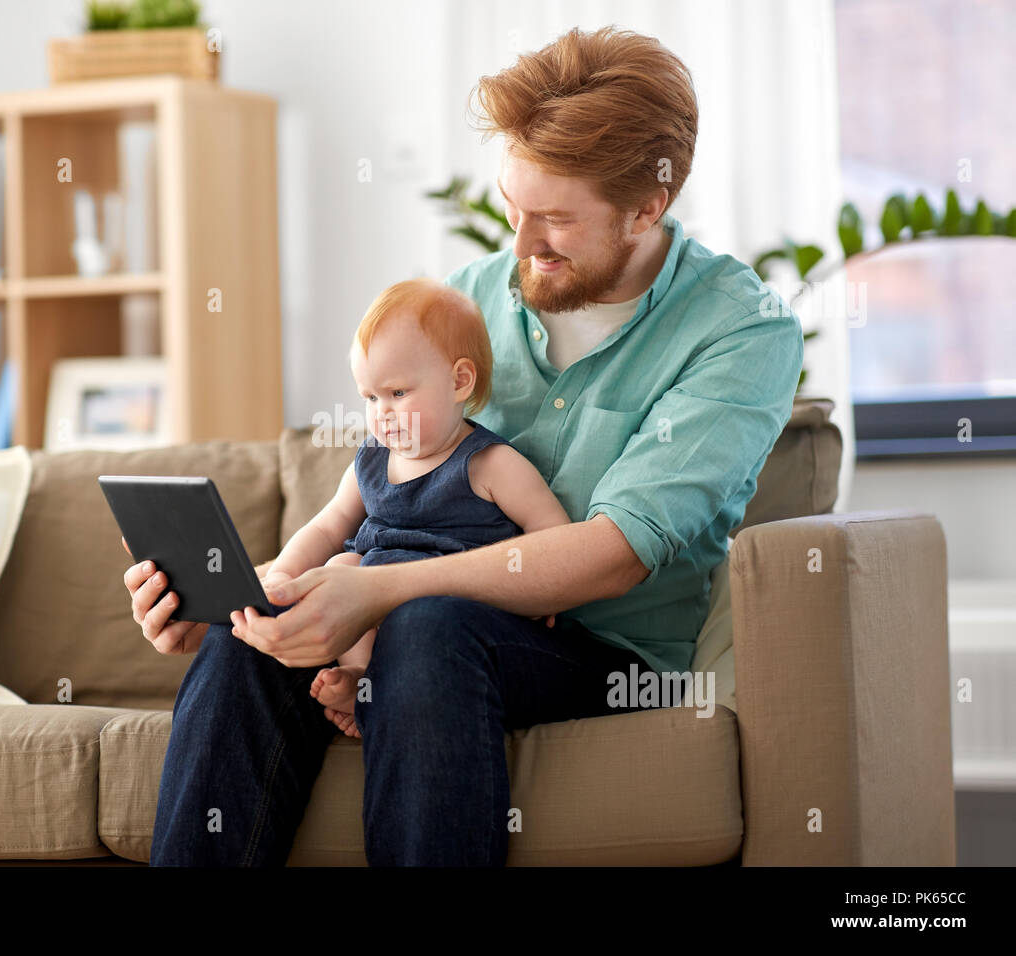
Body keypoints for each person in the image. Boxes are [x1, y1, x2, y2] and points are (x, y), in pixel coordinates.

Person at [125, 25, 803, 866]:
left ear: (647, 207)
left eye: (554, 221)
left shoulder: (740, 330)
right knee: (250, 634)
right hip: (415, 628)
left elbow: (619, 553)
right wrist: (220, 605)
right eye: (514, 209)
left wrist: (377, 596)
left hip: (598, 653)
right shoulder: (472, 300)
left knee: (430, 625)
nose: (519, 246)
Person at [260, 277, 571, 739]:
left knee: (395, 604)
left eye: (398, 393)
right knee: (343, 561)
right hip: (367, 595)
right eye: (370, 397)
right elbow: (326, 528)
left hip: (451, 604)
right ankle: (363, 679)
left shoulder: (489, 463)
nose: (381, 411)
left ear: (459, 381)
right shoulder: (370, 460)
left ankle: (370, 691)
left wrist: (544, 594)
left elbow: (555, 534)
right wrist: (279, 578)